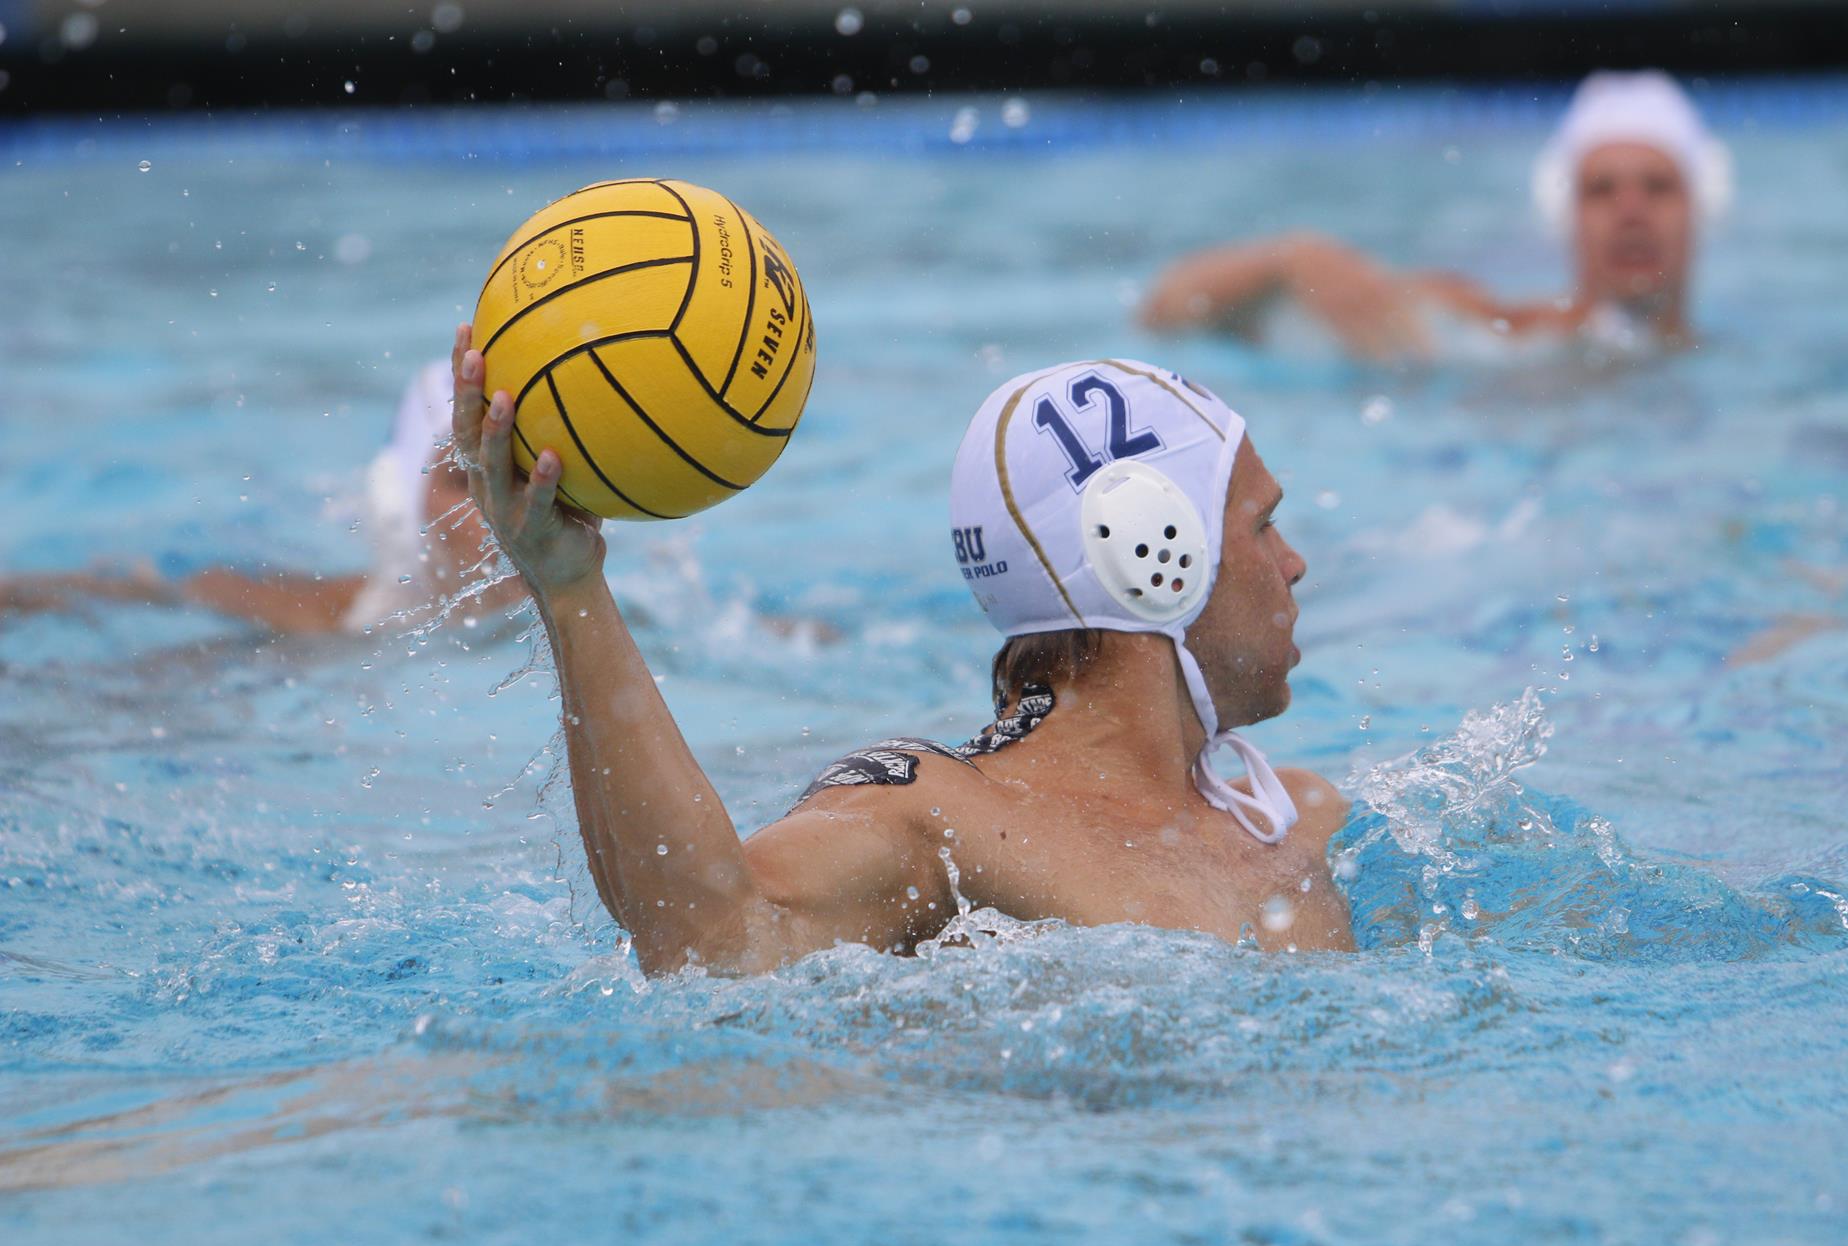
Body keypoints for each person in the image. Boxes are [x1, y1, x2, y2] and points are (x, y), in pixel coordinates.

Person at [453, 324, 1355, 974]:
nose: (1295, 562)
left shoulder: (1300, 821)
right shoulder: (932, 816)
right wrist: (573, 592)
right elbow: (711, 938)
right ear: (1154, 548)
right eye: (1263, 524)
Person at [1138, 70, 1732, 361]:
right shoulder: (1498, 333)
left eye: (1658, 188)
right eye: (1601, 191)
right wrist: (1289, 258)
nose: (1631, 211)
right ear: (1566, 215)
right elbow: (1163, 311)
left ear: (1700, 208)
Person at [0, 360, 517, 634]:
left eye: (515, 473)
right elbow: (161, 592)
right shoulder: (337, 617)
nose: (498, 506)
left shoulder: (588, 611)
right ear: (399, 501)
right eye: (465, 480)